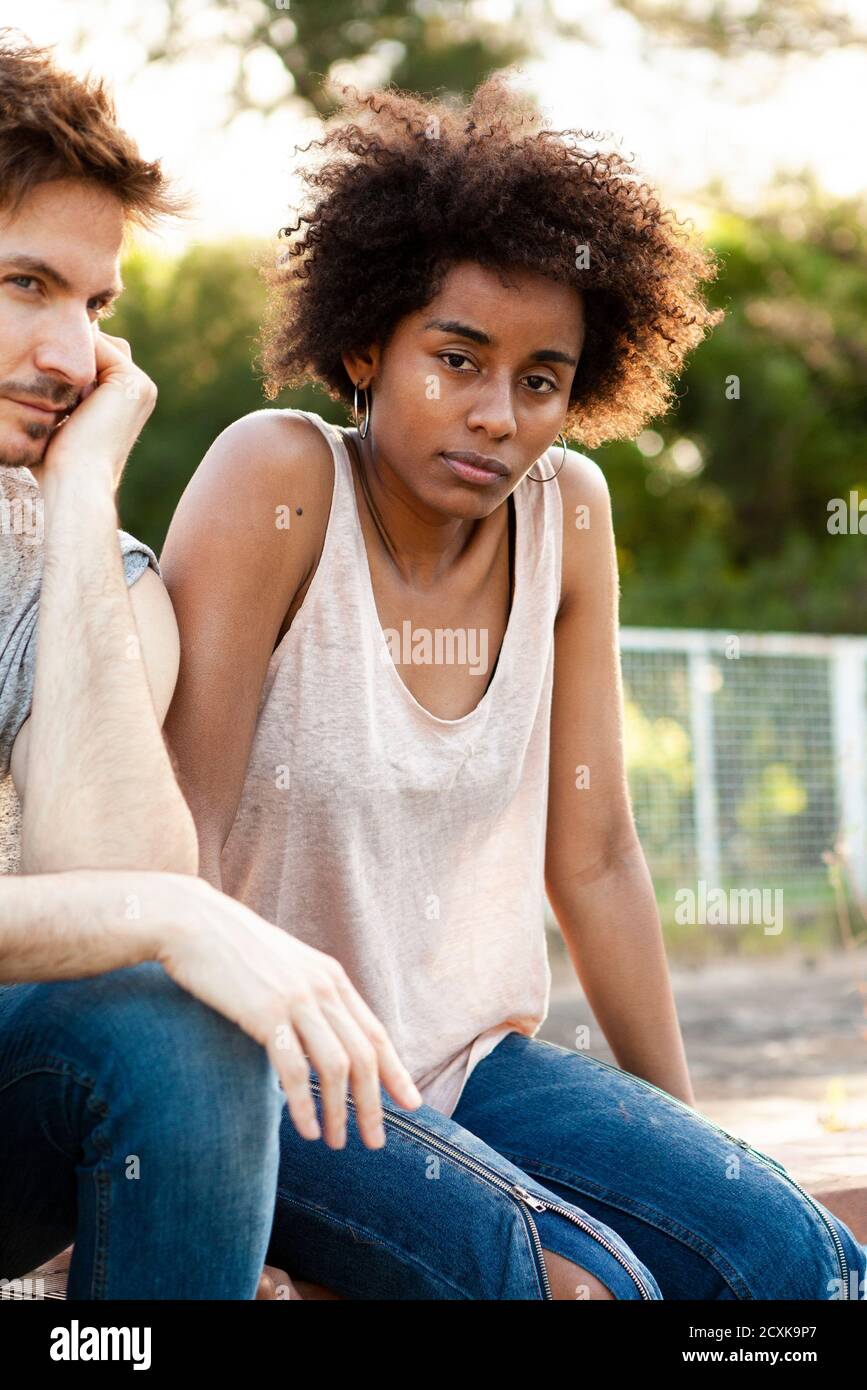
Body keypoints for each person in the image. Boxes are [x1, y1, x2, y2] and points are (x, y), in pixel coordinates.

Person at [161, 74, 867, 1301]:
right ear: (367, 342)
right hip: (276, 1069)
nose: (496, 415)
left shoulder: (567, 517)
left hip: (475, 1060)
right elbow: (174, 849)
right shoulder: (272, 485)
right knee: (579, 1290)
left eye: (541, 378)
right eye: (457, 359)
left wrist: (695, 1158)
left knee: (785, 1256)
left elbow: (592, 855)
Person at [0, 31, 421, 1302]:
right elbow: (151, 905)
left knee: (183, 1029)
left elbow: (109, 882)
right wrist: (183, 912)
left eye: (96, 307)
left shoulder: (94, 569)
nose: (76, 360)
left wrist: (76, 507)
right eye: (27, 285)